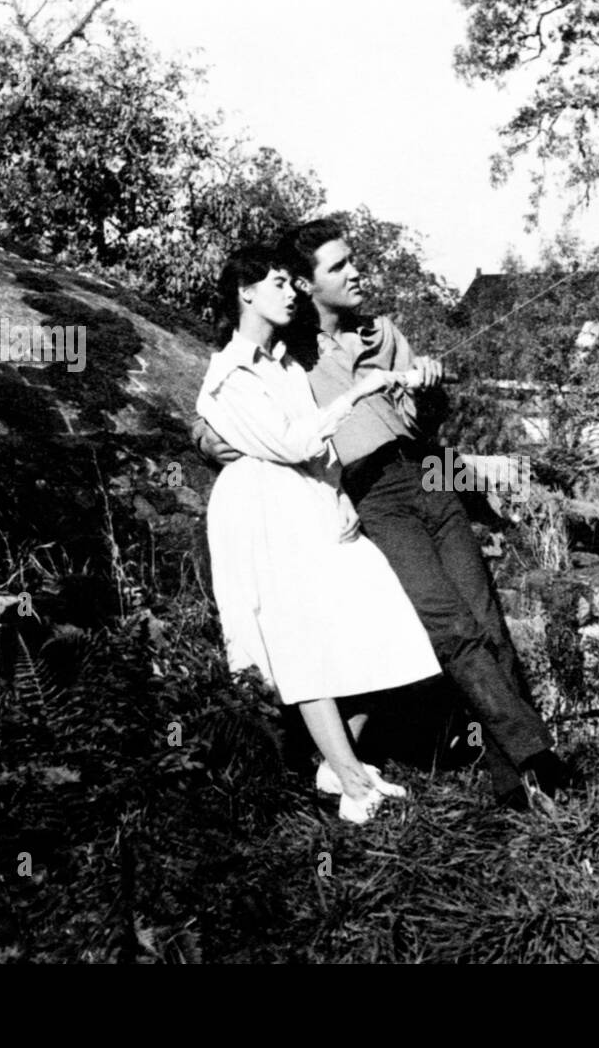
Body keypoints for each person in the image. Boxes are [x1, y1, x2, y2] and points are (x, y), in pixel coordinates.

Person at [194, 219, 570, 817]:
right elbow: (223, 415)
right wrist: (210, 439)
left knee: (486, 617)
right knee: (448, 625)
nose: (356, 273)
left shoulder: (384, 332)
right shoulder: (292, 354)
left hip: (426, 472)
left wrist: (430, 388)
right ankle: (537, 757)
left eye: (353, 261)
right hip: (372, 491)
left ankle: (519, 785)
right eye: (337, 267)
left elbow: (423, 421)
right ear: (308, 284)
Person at [196, 241, 441, 824]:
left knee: (385, 617)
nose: (289, 292)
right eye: (278, 283)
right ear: (245, 293)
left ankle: (339, 760)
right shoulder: (229, 372)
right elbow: (294, 442)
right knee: (297, 638)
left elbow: (316, 449)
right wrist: (360, 390)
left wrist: (334, 493)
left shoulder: (283, 362)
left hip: (308, 501)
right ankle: (353, 784)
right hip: (262, 511)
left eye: (291, 282)